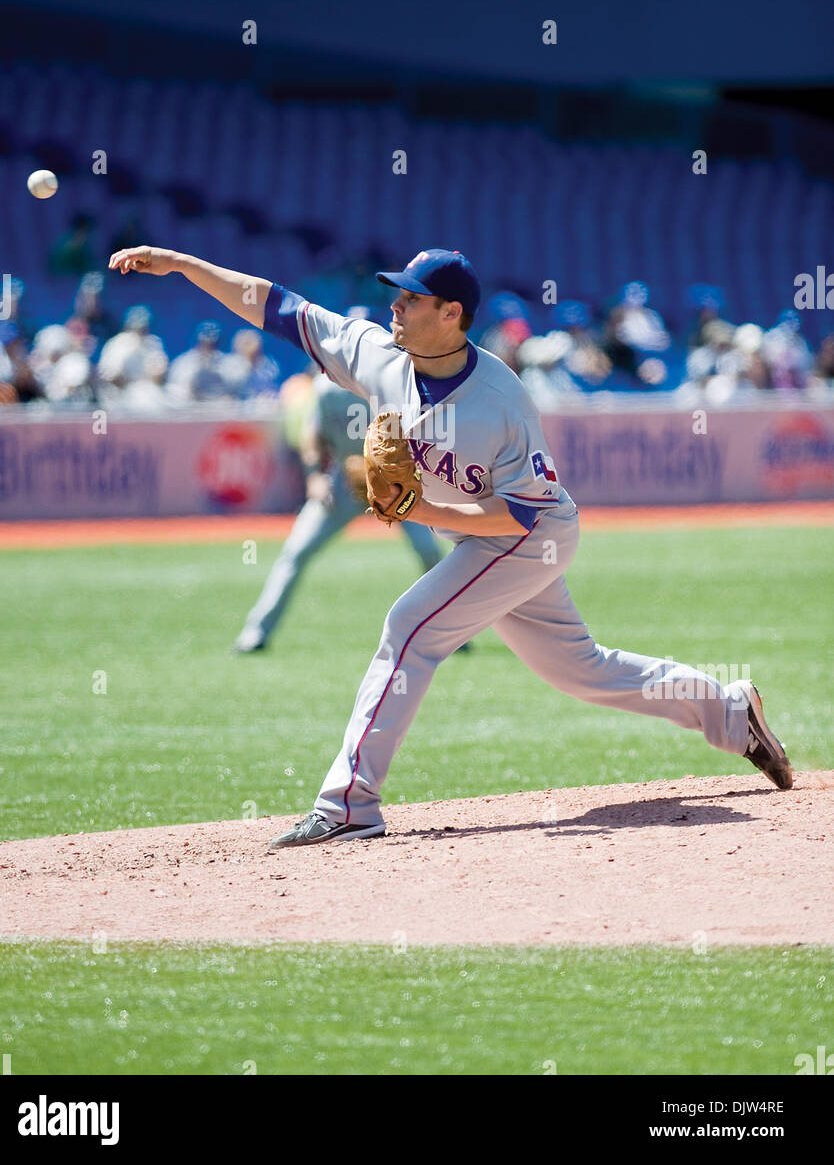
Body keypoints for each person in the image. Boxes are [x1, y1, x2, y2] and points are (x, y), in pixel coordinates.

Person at [109, 243, 794, 848]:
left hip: (530, 534)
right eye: (396, 295)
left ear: (452, 315)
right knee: (580, 670)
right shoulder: (380, 356)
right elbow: (277, 307)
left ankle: (348, 804)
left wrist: (426, 506)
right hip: (481, 532)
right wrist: (181, 265)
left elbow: (524, 517)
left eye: (412, 298)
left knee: (411, 626)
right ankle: (729, 711)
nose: (395, 308)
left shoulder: (499, 400)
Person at [232, 365, 444, 653]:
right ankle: (255, 634)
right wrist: (315, 476)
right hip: (343, 482)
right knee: (296, 551)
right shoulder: (326, 388)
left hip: (395, 483)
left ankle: (453, 633)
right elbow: (313, 436)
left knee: (430, 552)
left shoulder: (392, 383)